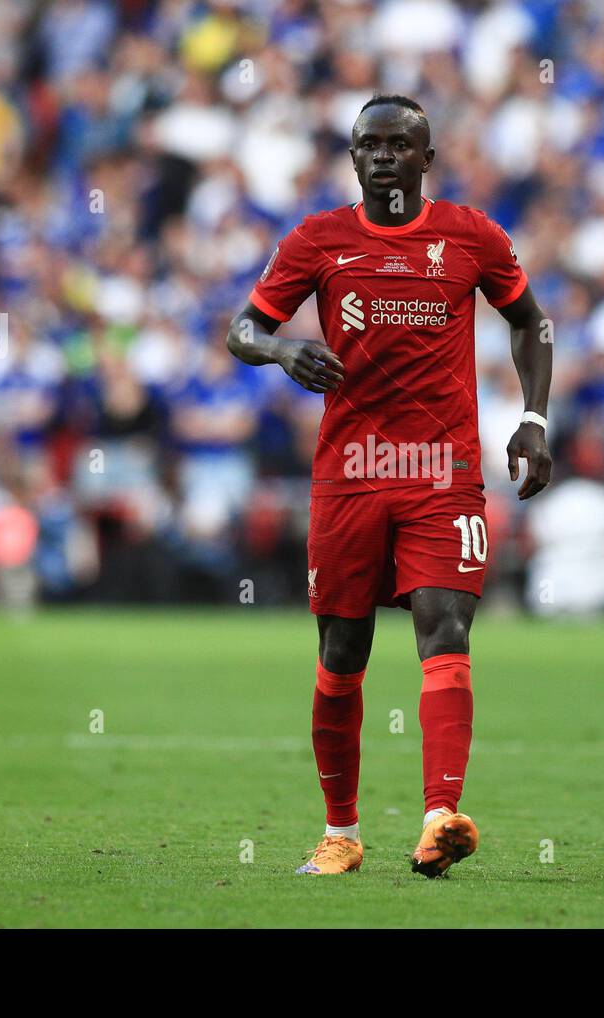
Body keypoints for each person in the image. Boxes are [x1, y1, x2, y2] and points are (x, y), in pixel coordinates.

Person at [225, 95, 553, 877]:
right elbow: (241, 327)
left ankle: (442, 816)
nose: (381, 156)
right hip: (351, 478)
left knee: (446, 630)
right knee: (343, 651)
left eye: (397, 145)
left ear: (426, 158)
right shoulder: (318, 240)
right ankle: (341, 832)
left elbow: (530, 322)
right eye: (367, 144)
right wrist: (283, 353)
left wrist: (534, 418)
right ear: (352, 156)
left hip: (443, 475)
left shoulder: (472, 237)